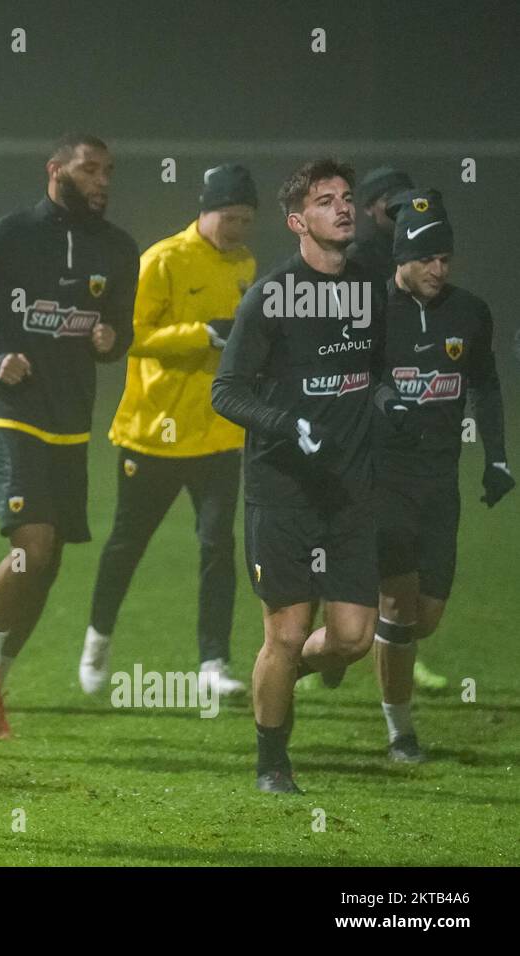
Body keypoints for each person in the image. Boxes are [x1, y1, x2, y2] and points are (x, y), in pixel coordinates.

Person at [211, 159, 388, 794]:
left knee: (350, 640)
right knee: (284, 634)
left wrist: (389, 396)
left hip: (351, 491)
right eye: (325, 201)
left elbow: (382, 367)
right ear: (297, 222)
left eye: (347, 197)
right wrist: (289, 425)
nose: (343, 208)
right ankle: (271, 763)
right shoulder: (271, 297)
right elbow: (225, 393)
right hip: (282, 490)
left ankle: (282, 677)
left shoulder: (370, 288)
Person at [0, 132, 138, 738]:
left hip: (71, 420)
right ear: (55, 170)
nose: (102, 181)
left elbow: (118, 325)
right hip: (9, 413)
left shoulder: (117, 249)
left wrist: (113, 339)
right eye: (90, 170)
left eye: (108, 172)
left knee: (49, 564)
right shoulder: (5, 237)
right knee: (29, 545)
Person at [80, 165, 258, 703]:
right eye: (230, 217)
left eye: (247, 219)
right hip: (153, 432)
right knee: (127, 545)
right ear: (205, 210)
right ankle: (97, 640)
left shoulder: (245, 264)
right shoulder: (162, 259)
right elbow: (130, 336)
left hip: (219, 433)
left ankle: (212, 661)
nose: (238, 229)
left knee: (217, 546)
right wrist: (202, 334)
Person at [371, 189, 512, 762]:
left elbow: (486, 383)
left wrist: (497, 456)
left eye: (446, 258)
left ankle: (312, 655)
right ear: (401, 257)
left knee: (424, 617)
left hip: (439, 485)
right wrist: (388, 403)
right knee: (399, 609)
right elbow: (355, 378)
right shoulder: (373, 309)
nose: (439, 268)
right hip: (383, 482)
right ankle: (400, 733)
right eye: (428, 258)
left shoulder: (469, 312)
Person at [346, 166, 413, 283]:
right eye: (390, 198)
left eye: (405, 196)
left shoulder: (423, 251)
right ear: (369, 208)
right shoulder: (355, 260)